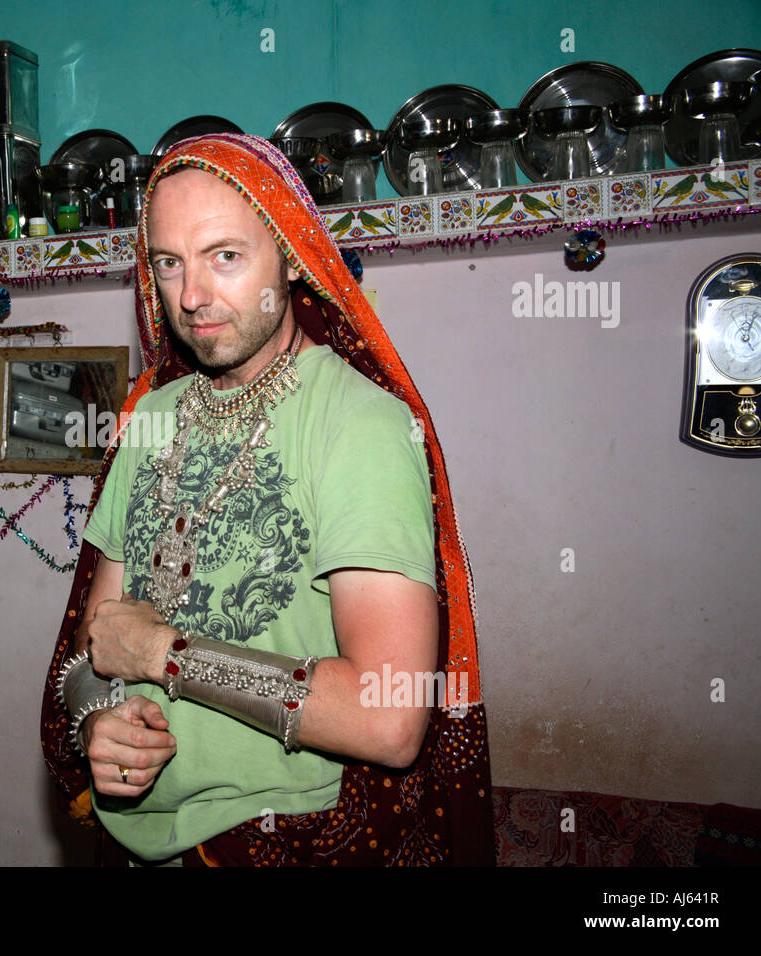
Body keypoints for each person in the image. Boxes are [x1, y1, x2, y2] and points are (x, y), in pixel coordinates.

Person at [41, 134, 494, 866]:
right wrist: (99, 719)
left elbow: (390, 718)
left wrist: (168, 653)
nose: (190, 296)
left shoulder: (360, 427)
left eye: (225, 256)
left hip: (288, 842)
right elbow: (100, 645)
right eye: (168, 263)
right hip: (132, 842)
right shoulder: (152, 419)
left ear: (289, 254)